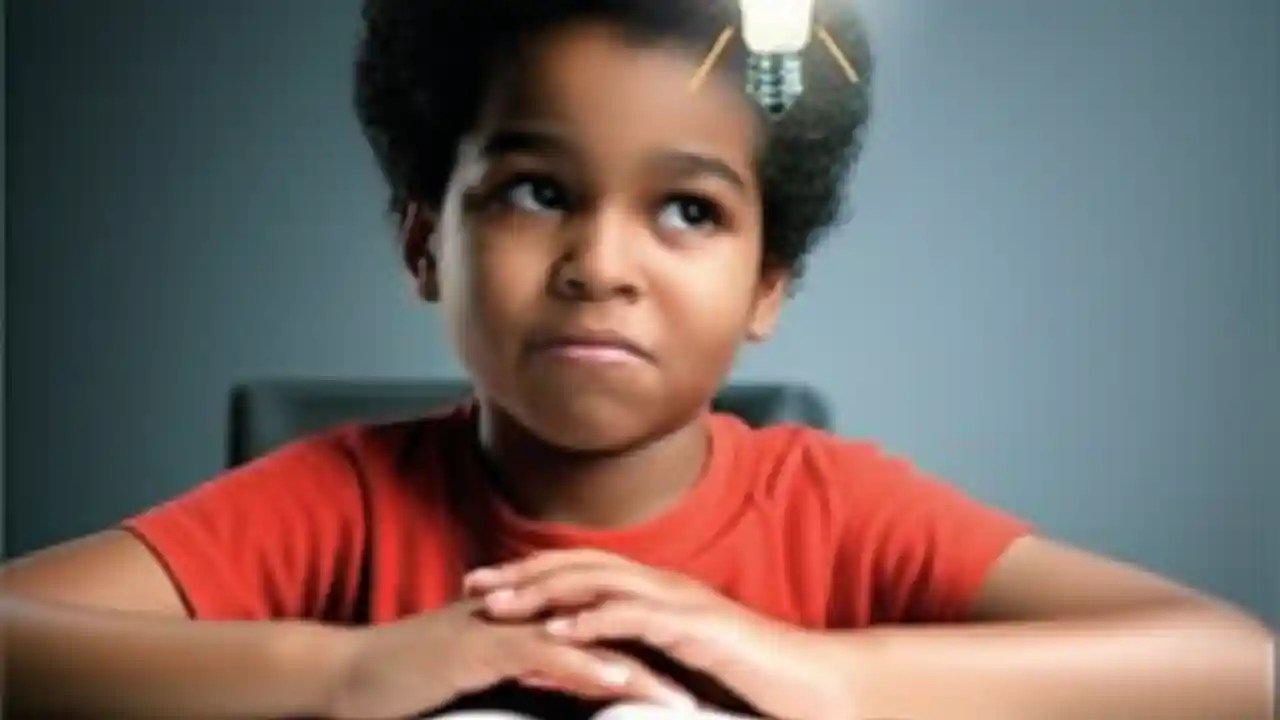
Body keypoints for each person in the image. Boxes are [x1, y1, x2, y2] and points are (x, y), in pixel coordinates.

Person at [2, 1, 1273, 718]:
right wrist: (346, 669)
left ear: (768, 283)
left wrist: (823, 671)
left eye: (687, 210)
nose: (600, 264)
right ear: (424, 243)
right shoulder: (338, 504)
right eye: (537, 191)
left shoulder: (834, 512)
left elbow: (1234, 668)